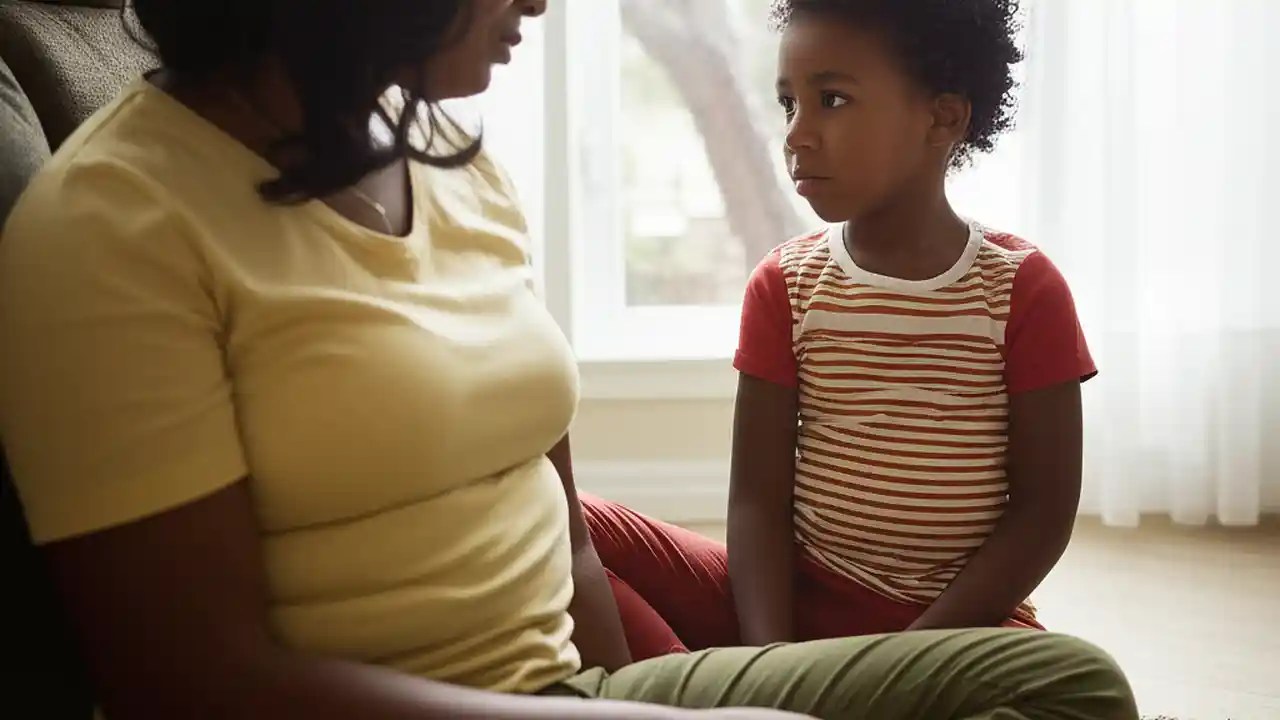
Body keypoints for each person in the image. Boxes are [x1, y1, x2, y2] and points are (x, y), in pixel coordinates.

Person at [0, 1, 1133, 719]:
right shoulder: (112, 226)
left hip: (572, 686)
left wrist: (648, 692)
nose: (537, 1)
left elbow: (559, 526)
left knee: (1061, 682)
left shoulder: (455, 165)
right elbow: (188, 681)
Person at [584, 0, 1094, 649]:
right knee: (566, 518)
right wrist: (772, 655)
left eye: (832, 100)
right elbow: (757, 506)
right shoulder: (786, 285)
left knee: (1077, 681)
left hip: (955, 630)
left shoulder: (1024, 290)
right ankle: (739, 696)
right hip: (797, 606)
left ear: (943, 117)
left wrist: (900, 658)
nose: (796, 133)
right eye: (788, 103)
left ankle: (735, 698)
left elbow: (1042, 517)